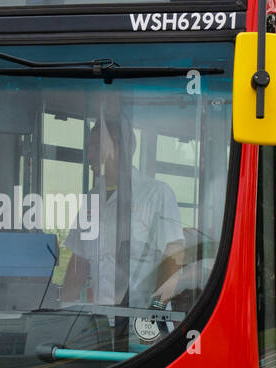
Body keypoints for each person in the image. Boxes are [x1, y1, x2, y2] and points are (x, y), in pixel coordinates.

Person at [61, 115, 185, 311]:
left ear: (118, 148)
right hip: (99, 322)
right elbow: (79, 263)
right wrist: (61, 313)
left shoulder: (155, 194)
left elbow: (174, 257)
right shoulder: (92, 199)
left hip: (140, 322)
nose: (89, 156)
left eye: (95, 148)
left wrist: (156, 311)